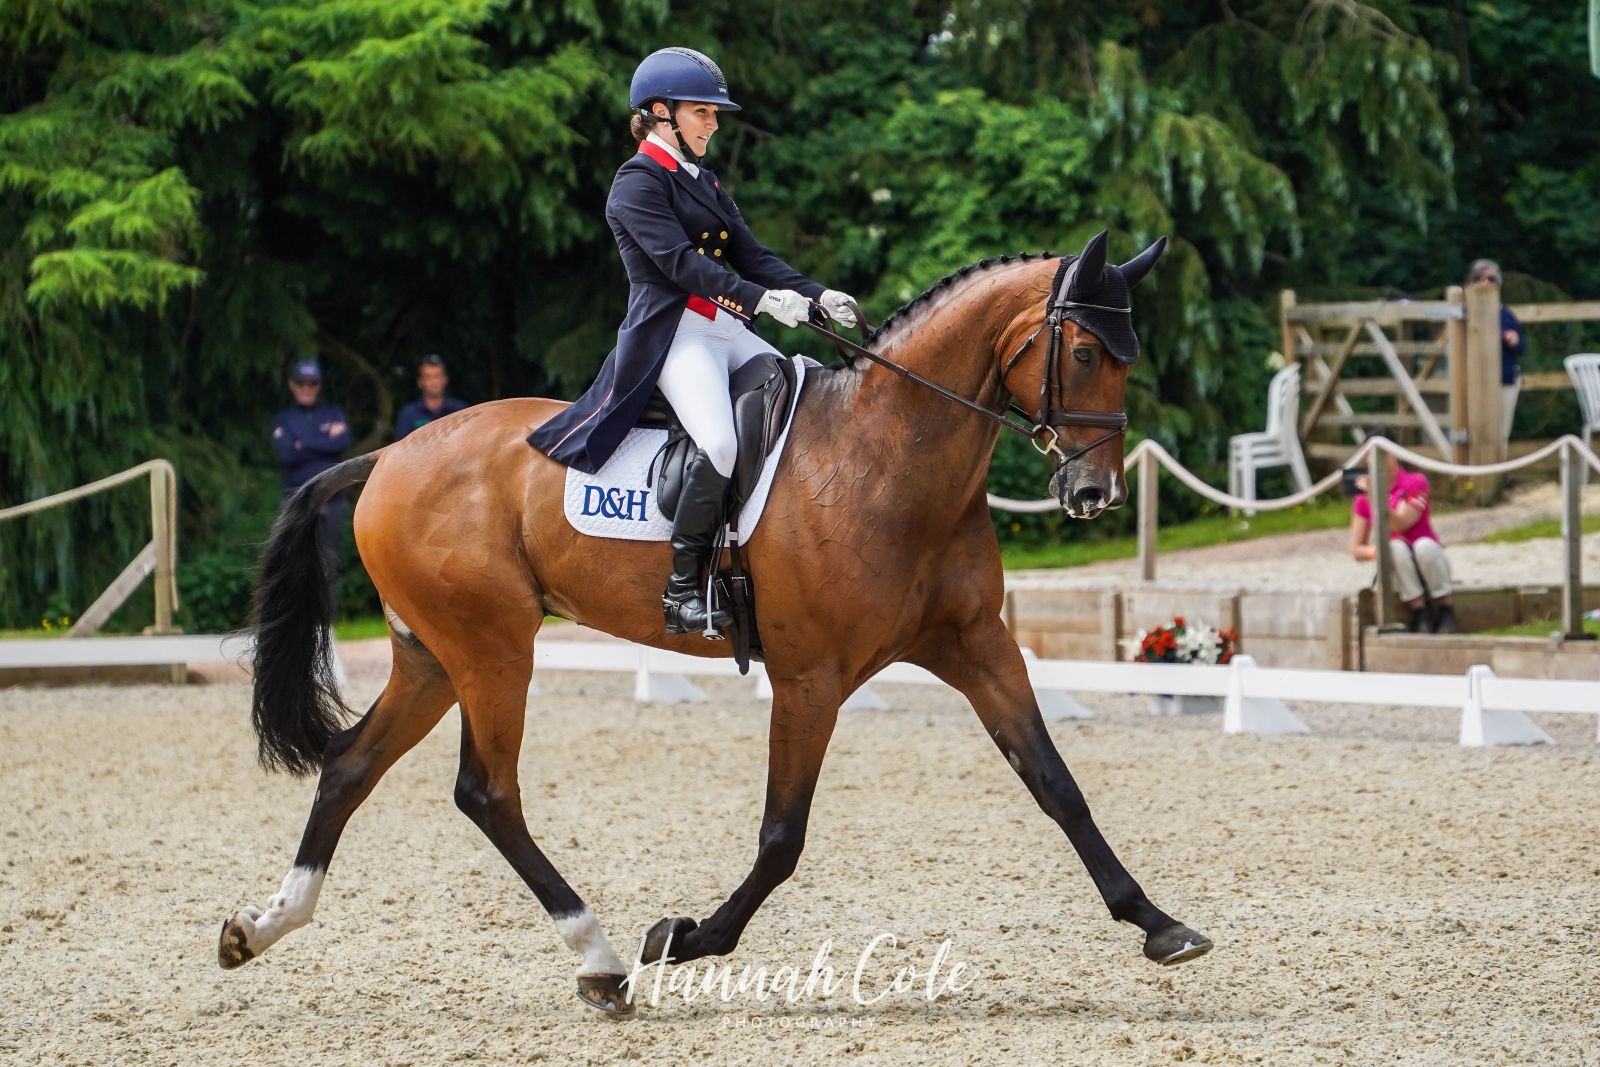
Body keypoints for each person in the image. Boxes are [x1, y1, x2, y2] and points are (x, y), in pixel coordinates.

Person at [527, 47, 859, 637]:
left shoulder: (703, 180)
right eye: (702, 113)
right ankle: (683, 590)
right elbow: (680, 265)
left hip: (726, 330)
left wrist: (816, 295)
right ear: (661, 113)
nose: (713, 124)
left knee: (803, 405)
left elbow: (752, 256)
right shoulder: (636, 182)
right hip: (676, 337)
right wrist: (760, 301)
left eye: (713, 113)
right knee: (721, 444)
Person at [1347, 440, 1457, 634]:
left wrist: (1374, 497)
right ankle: (1419, 610)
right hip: (1397, 565)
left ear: (1395, 453)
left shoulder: (1415, 482)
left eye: (1384, 452)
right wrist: (1378, 552)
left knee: (1423, 546)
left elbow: (1400, 522)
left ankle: (1444, 609)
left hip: (1426, 556)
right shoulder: (1361, 499)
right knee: (1394, 547)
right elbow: (1356, 549)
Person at [272, 359, 352, 585]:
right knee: (294, 562)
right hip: (296, 499)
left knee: (329, 561)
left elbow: (342, 444)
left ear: (319, 386)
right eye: (301, 383)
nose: (307, 388)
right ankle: (297, 618)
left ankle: (324, 620)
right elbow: (287, 455)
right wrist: (324, 442)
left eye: (312, 383)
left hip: (332, 500)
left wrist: (303, 443)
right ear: (292, 384)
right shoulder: (284, 419)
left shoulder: (333, 412)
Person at [1466, 258, 1525, 449]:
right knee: (1472, 432)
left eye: (1491, 278)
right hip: (1471, 383)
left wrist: (1515, 340)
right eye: (1479, 278)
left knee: (1502, 433)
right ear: (1471, 282)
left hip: (1504, 380)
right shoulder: (1463, 313)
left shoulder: (1507, 314)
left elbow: (1522, 348)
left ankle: (1499, 475)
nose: (1485, 283)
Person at [394, 354, 469, 441]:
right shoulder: (408, 414)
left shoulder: (461, 410)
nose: (434, 381)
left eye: (437, 376)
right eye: (428, 377)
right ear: (420, 382)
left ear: (445, 379)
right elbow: (401, 449)